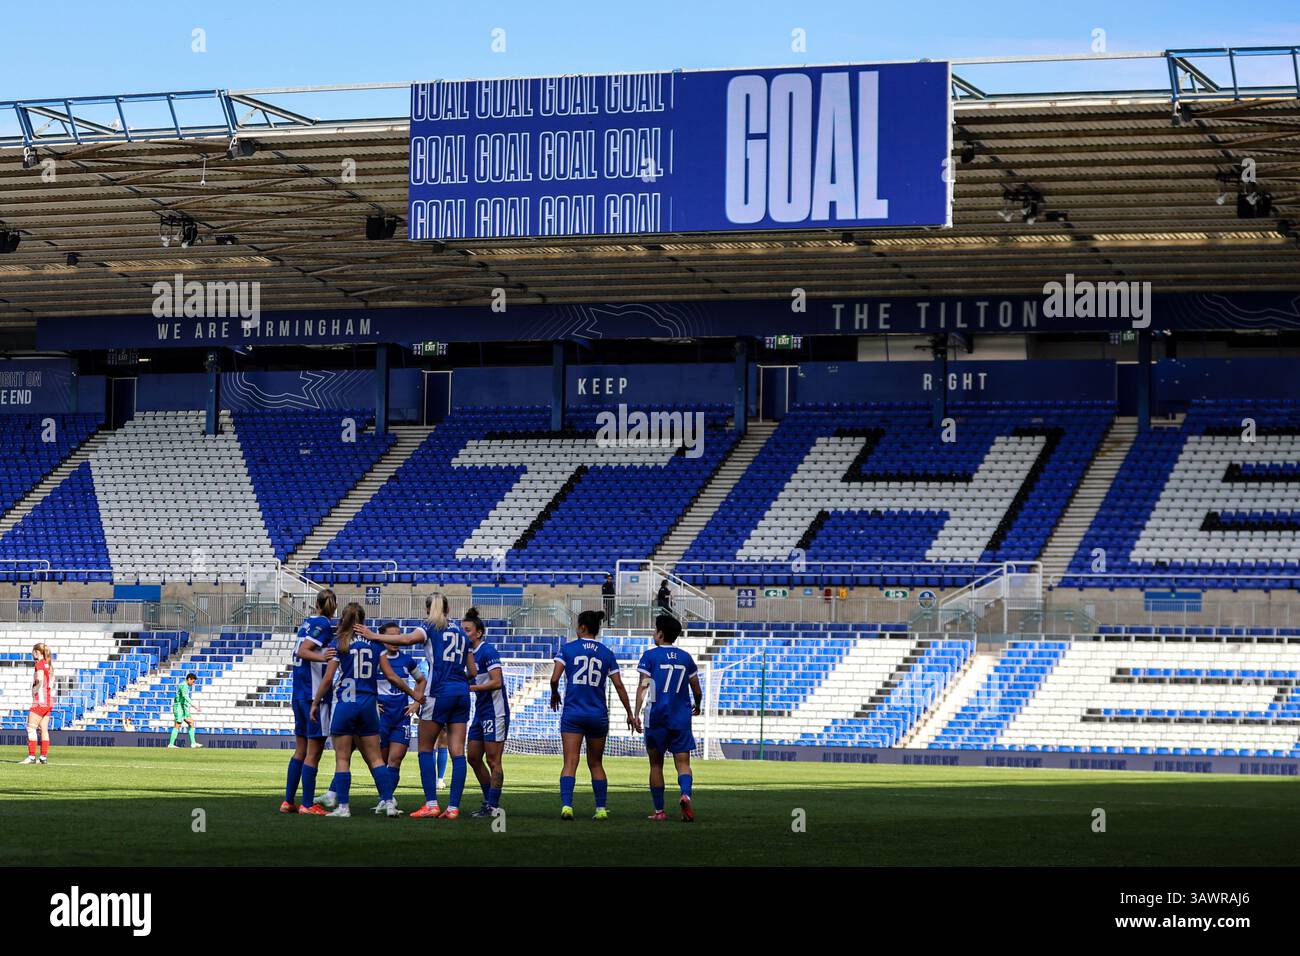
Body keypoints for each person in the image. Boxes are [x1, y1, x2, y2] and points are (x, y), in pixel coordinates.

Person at [356, 593, 476, 819]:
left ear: (428, 610)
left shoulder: (430, 627)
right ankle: (453, 808)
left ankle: (431, 804)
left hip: (439, 693)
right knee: (458, 752)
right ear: (448, 609)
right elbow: (473, 672)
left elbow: (406, 640)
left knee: (425, 748)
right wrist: (458, 682)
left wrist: (374, 635)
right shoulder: (462, 634)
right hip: (461, 693)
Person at [309, 603, 409, 818]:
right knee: (376, 759)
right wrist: (414, 693)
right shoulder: (375, 644)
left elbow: (328, 679)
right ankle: (389, 802)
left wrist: (316, 702)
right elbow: (391, 676)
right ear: (363, 620)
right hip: (369, 705)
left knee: (343, 758)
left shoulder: (340, 643)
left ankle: (343, 807)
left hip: (346, 704)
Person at [550, 609, 635, 820]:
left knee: (570, 761)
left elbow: (554, 678)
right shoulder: (607, 653)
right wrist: (630, 713)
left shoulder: (568, 649)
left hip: (573, 713)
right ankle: (600, 809)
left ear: (582, 627)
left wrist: (554, 693)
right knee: (596, 763)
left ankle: (567, 806)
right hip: (598, 714)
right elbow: (619, 686)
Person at [634, 615, 703, 822]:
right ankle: (685, 794)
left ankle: (659, 812)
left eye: (655, 630)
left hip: (656, 717)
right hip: (680, 717)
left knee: (656, 765)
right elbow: (697, 689)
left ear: (661, 633)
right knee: (683, 763)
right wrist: (697, 705)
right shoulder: (685, 658)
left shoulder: (650, 656)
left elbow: (643, 687)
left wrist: (636, 713)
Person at [282, 589, 339, 815]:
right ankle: (307, 803)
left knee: (300, 751)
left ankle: (288, 801)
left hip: (299, 693)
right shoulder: (324, 625)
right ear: (333, 607)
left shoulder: (307, 623)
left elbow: (299, 650)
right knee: (313, 753)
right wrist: (322, 656)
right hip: (314, 695)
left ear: (315, 604)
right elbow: (304, 651)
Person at [374, 621, 426, 812]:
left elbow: (421, 680)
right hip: (381, 717)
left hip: (401, 716)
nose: (396, 640)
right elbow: (362, 681)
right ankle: (386, 798)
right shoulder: (375, 660)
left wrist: (416, 703)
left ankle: (385, 799)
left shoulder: (407, 660)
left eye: (398, 635)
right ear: (383, 637)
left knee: (395, 759)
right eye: (391, 636)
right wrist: (372, 702)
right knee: (381, 760)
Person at [463, 608, 508, 817]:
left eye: (468, 630)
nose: (464, 634)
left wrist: (470, 688)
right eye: (462, 630)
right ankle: (490, 801)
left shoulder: (488, 651)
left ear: (479, 633)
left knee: (493, 760)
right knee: (472, 756)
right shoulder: (468, 655)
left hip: (495, 711)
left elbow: (497, 682)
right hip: (480, 712)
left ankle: (492, 805)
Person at [20, 643, 54, 765]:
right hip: (49, 700)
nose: (32, 654)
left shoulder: (39, 664)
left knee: (31, 728)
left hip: (40, 700)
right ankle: (43, 757)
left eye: (33, 652)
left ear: (36, 652)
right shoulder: (48, 664)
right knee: (44, 730)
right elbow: (50, 682)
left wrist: (35, 689)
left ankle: (31, 757)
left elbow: (39, 679)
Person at [167, 673, 203, 749]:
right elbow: (185, 696)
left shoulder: (185, 686)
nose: (193, 684)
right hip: (178, 707)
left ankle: (193, 743)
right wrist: (195, 706)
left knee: (191, 722)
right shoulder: (183, 685)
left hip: (182, 707)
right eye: (193, 682)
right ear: (189, 679)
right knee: (178, 724)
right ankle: (171, 744)